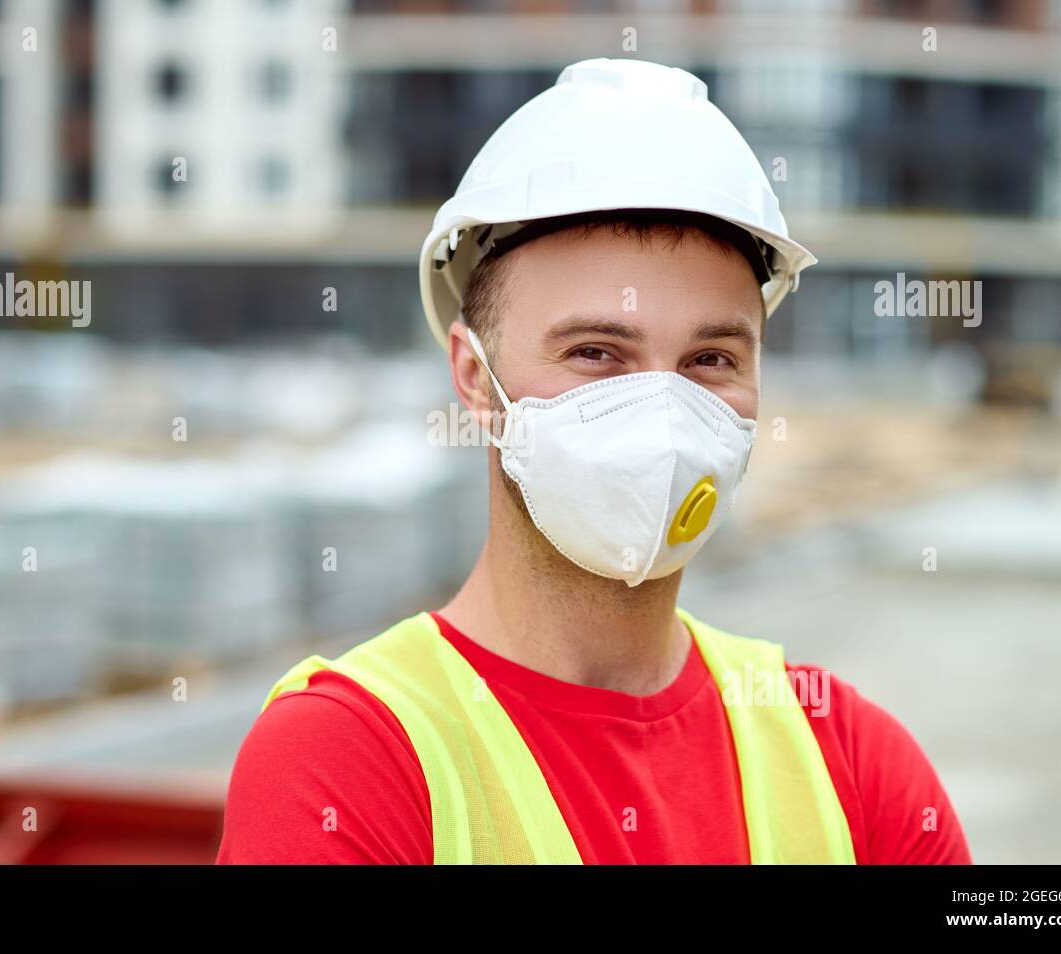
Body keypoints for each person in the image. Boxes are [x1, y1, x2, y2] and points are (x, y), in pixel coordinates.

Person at [219, 58, 971, 865]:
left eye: (711, 359)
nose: (663, 413)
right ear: (476, 380)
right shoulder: (351, 759)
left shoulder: (849, 760)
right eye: (596, 352)